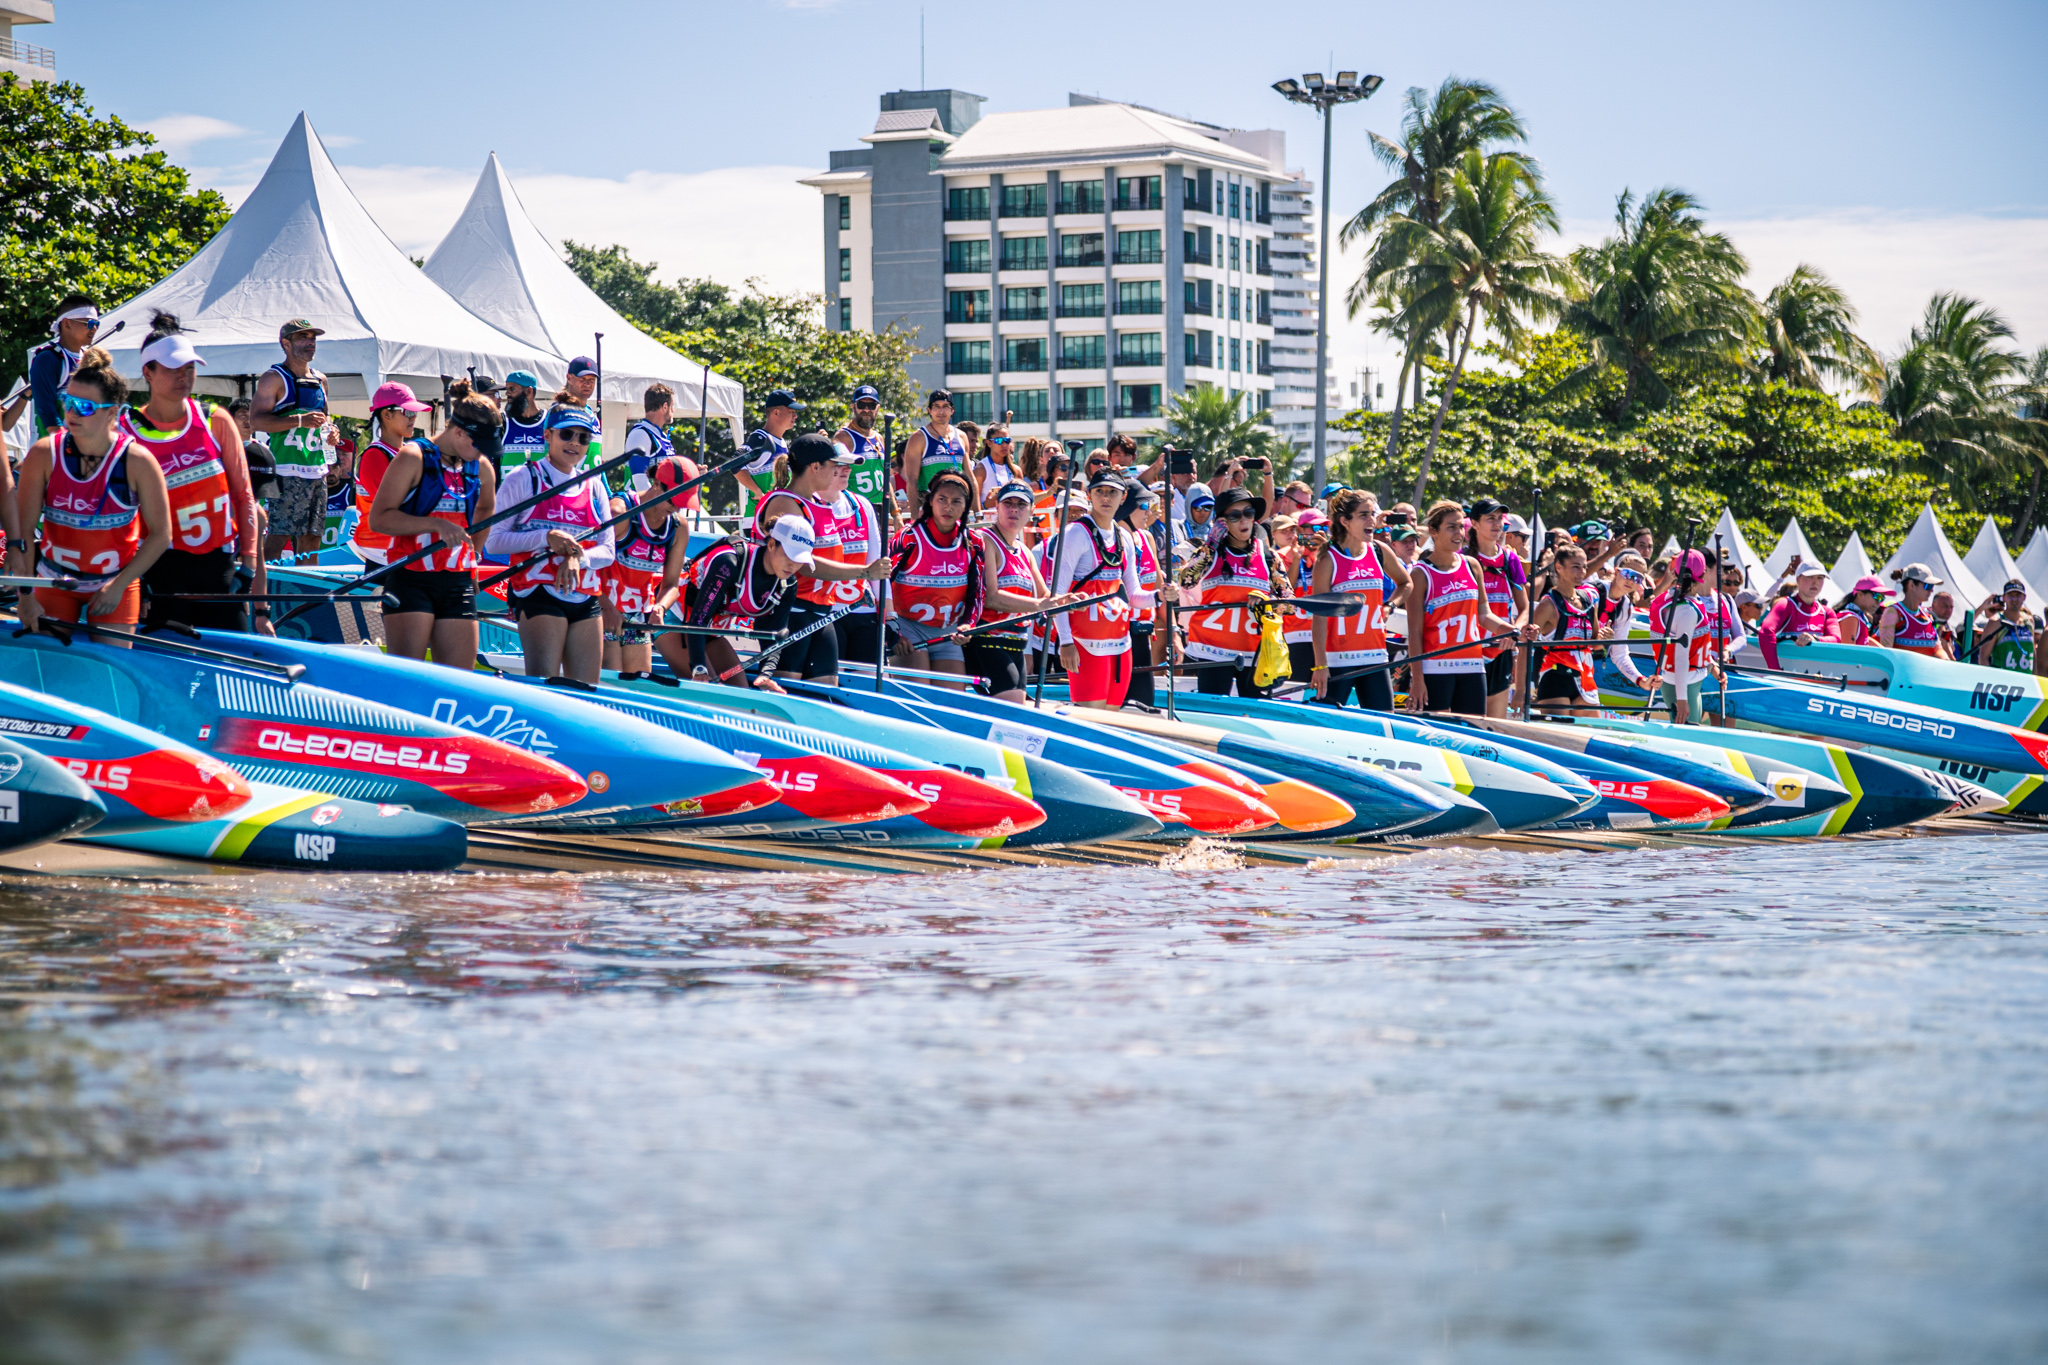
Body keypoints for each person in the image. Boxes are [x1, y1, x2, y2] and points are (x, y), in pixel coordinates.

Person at [11, 347, 173, 639]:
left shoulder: (138, 461)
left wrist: (120, 585)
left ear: (112, 411)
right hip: (54, 581)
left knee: (111, 679)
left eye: (83, 407)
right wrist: (25, 594)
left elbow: (161, 534)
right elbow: (23, 532)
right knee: (51, 675)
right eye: (67, 401)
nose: (71, 413)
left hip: (113, 584)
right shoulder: (44, 454)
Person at [113, 316, 260, 634]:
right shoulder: (125, 431)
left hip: (218, 566)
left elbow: (243, 494)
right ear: (147, 372)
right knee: (168, 672)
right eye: (173, 368)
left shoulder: (215, 419)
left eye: (190, 368)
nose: (185, 376)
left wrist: (248, 561)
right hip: (161, 569)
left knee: (230, 668)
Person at [368, 380, 500, 672]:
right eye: (479, 445)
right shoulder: (413, 457)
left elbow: (486, 508)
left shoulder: (481, 466)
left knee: (460, 682)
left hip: (458, 581)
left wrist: (473, 556)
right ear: (459, 431)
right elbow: (379, 519)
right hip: (411, 578)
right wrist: (435, 525)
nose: (482, 454)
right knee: (409, 678)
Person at [486, 406, 616, 684]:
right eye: (567, 434)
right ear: (548, 435)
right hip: (539, 594)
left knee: (585, 696)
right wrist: (546, 538)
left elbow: (608, 551)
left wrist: (576, 557)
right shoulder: (522, 478)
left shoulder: (594, 485)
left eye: (583, 438)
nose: (575, 443)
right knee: (546, 688)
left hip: (585, 597)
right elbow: (493, 542)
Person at [752, 433, 893, 683]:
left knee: (827, 688)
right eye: (834, 465)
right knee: (791, 690)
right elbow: (804, 566)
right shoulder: (785, 503)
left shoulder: (818, 502)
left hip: (821, 611)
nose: (838, 471)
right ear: (815, 467)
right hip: (790, 612)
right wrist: (864, 573)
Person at [966, 482, 1086, 701]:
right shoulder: (986, 540)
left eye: (1021, 505)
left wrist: (1065, 600)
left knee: (1018, 708)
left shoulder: (1024, 551)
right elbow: (991, 597)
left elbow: (1044, 596)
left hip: (1016, 643)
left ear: (1031, 511)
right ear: (997, 508)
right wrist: (1039, 606)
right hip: (987, 638)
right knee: (1012, 705)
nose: (1014, 509)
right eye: (1008, 503)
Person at [1405, 501, 1515, 715]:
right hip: (1435, 668)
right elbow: (1415, 632)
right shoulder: (1420, 574)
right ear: (1433, 532)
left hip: (1472, 666)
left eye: (1460, 527)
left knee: (1474, 731)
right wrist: (1417, 679)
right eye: (1451, 527)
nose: (1459, 533)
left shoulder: (1472, 565)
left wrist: (1510, 630)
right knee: (1438, 734)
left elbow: (1484, 615)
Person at [680, 515, 811, 693]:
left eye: (800, 558)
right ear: (771, 545)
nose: (793, 565)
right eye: (790, 555)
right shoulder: (729, 563)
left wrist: (765, 674)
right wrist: (699, 668)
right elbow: (697, 620)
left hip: (709, 628)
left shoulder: (787, 584)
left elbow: (775, 634)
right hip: (679, 619)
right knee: (711, 692)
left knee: (741, 693)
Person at [1049, 472, 1143, 709]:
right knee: (1092, 717)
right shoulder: (1074, 534)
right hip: (1084, 643)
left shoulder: (1124, 537)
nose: (1106, 498)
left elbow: (1133, 595)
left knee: (1113, 718)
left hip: (1121, 643)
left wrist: (1161, 597)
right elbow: (1057, 594)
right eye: (1099, 491)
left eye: (1113, 492)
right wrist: (1066, 642)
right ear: (1089, 494)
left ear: (1123, 497)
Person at [1310, 488, 1410, 710]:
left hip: (1375, 657)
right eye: (1364, 515)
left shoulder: (1379, 550)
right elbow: (1319, 617)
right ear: (1345, 521)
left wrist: (1390, 606)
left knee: (1384, 724)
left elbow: (1406, 583)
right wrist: (1320, 665)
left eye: (1373, 514)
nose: (1372, 520)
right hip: (1338, 661)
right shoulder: (1328, 559)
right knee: (1328, 728)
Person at [1184, 487, 1289, 697]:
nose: (1244, 520)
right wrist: (1211, 544)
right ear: (1221, 522)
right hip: (1213, 652)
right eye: (1235, 515)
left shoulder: (1269, 556)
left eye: (1249, 513)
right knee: (1213, 716)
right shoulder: (1209, 552)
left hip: (1256, 653)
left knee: (1257, 719)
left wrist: (1267, 601)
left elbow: (1289, 603)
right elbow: (1186, 580)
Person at [253, 318, 336, 559]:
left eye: (313, 338)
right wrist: (299, 421)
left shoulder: (321, 380)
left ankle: (308, 596)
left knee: (312, 538)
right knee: (278, 537)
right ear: (286, 343)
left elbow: (325, 419)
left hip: (316, 469)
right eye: (303, 337)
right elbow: (257, 420)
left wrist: (333, 430)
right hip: (285, 471)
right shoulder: (273, 377)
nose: (310, 343)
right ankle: (263, 594)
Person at [889, 469, 980, 685]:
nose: (948, 507)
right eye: (942, 499)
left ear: (966, 505)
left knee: (951, 703)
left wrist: (968, 624)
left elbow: (978, 593)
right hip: (908, 629)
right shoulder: (909, 537)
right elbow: (882, 582)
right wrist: (892, 630)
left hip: (949, 632)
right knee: (920, 699)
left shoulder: (974, 542)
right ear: (930, 501)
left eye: (956, 501)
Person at [602, 456, 690, 677]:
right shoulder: (620, 513)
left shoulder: (678, 527)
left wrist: (660, 608)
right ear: (657, 484)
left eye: (683, 502)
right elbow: (585, 568)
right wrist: (607, 609)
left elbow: (671, 585)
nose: (677, 507)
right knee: (610, 687)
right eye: (673, 500)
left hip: (638, 616)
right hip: (601, 609)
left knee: (637, 687)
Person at [1523, 542, 1615, 714]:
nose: (1582, 572)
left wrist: (1604, 639)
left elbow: (1594, 644)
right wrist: (1521, 690)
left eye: (1584, 567)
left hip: (1585, 679)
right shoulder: (1548, 604)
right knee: (1559, 736)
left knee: (1597, 732)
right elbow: (1524, 645)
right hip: (1555, 677)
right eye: (1575, 567)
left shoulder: (1589, 600)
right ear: (1559, 567)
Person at [351, 382, 434, 569]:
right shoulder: (374, 455)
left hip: (400, 548)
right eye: (408, 412)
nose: (413, 418)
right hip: (381, 551)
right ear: (386, 414)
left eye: (415, 413)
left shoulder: (408, 452)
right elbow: (396, 507)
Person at [1467, 497, 1528, 718]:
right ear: (1474, 523)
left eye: (1499, 518)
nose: (1496, 524)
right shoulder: (1464, 558)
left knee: (1494, 723)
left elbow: (1525, 607)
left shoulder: (1510, 559)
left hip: (1501, 649)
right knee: (1471, 721)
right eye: (1489, 518)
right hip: (1470, 650)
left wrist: (1514, 632)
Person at [1117, 481, 1173, 708]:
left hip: (1143, 633)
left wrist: (1174, 632)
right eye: (1143, 506)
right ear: (1127, 507)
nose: (1149, 512)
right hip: (1116, 635)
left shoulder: (1146, 537)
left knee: (1145, 702)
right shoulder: (1113, 540)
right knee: (1118, 705)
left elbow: (1160, 589)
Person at [1649, 549, 1719, 724]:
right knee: (1691, 735)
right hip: (1683, 684)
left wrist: (1710, 665)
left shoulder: (1668, 598)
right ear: (1703, 573)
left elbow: (1694, 645)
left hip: (1683, 680)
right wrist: (1682, 701)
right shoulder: (1686, 610)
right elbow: (1680, 658)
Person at [1756, 562, 1841, 669]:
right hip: (1786, 673)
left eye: (1820, 578)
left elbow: (1836, 638)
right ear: (1797, 579)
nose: (1815, 582)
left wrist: (1815, 639)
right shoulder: (1785, 605)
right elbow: (1765, 631)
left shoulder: (1827, 612)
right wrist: (1774, 669)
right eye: (1810, 577)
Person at [731, 388, 803, 514]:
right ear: (776, 413)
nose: (795, 416)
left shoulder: (781, 442)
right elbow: (735, 463)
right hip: (758, 519)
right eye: (791, 412)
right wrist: (757, 491)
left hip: (774, 517)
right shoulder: (760, 438)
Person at [903, 390, 973, 518]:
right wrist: (914, 518)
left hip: (958, 505)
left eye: (945, 406)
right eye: (936, 407)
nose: (941, 412)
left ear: (952, 410)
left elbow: (970, 477)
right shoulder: (919, 437)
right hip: (931, 507)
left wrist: (977, 512)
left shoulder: (961, 436)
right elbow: (912, 480)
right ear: (929, 410)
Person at [834, 384, 893, 516]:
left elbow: (886, 479)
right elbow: (833, 475)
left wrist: (895, 513)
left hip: (879, 509)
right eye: (861, 405)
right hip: (855, 509)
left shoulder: (879, 438)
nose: (866, 410)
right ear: (853, 407)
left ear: (877, 408)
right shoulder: (844, 436)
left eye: (871, 406)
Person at [1878, 564, 1948, 658]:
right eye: (1928, 586)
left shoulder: (1927, 616)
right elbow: (1886, 655)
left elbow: (1938, 649)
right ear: (1911, 585)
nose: (1931, 590)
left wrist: (1946, 660)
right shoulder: (1893, 613)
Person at [1974, 581, 2041, 674]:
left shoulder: (2029, 621)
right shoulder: (1995, 622)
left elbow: (2032, 652)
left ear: (2024, 597)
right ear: (2004, 597)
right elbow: (1983, 656)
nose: (2014, 599)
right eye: (2010, 595)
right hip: (2004, 683)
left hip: (2026, 680)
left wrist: (2035, 678)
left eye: (2018, 595)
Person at [621, 384, 678, 490]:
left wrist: (693, 473)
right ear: (665, 407)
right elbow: (639, 480)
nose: (673, 411)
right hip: (644, 504)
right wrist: (657, 505)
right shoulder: (640, 434)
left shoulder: (662, 436)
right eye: (672, 406)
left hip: (663, 504)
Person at [499, 370, 548, 474]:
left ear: (528, 391)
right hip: (508, 489)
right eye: (506, 389)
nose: (507, 393)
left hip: (543, 489)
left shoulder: (548, 421)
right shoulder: (502, 421)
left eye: (512, 389)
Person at [555, 356, 603, 462]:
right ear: (569, 378)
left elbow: (596, 457)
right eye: (583, 379)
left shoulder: (592, 415)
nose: (588, 384)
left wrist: (603, 479)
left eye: (591, 380)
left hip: (592, 478)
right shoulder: (558, 411)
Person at [1835, 575, 1891, 645]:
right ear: (1860, 594)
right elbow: (1847, 653)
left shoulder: (1858, 618)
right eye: (1877, 596)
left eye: (1882, 598)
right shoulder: (1850, 618)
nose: (1879, 602)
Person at [974, 419, 1017, 502]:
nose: (1004, 445)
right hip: (989, 514)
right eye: (999, 441)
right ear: (989, 443)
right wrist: (986, 505)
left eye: (1007, 440)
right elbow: (973, 504)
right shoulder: (981, 469)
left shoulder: (1016, 470)